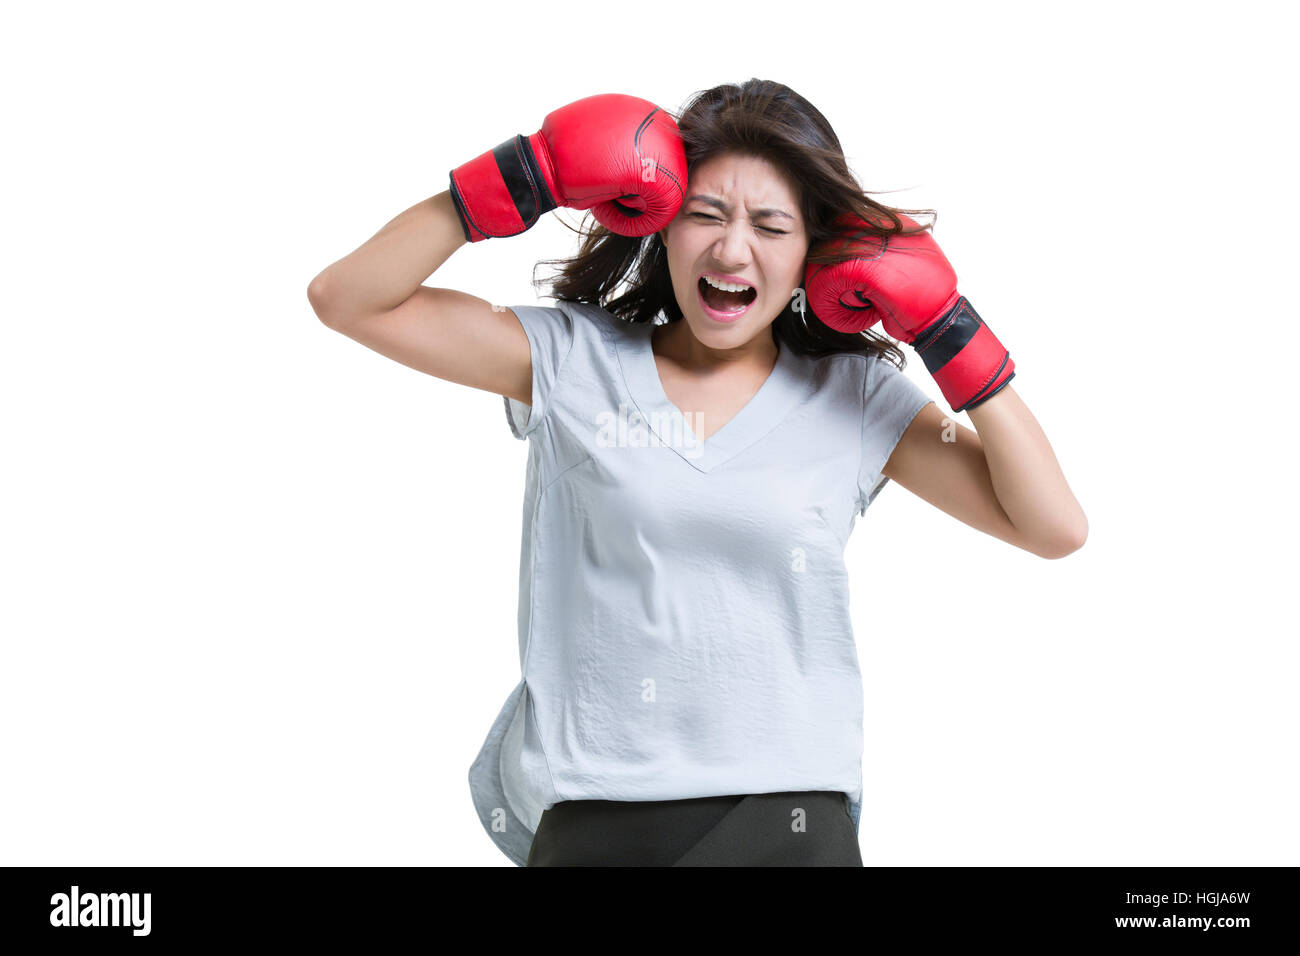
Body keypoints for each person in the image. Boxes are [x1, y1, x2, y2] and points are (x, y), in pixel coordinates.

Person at [306, 79, 1088, 867]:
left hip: (789, 822)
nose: (731, 249)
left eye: (771, 226)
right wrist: (528, 173)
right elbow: (349, 300)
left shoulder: (852, 396)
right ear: (660, 223)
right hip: (598, 815)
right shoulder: (574, 362)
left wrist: (947, 327)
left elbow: (1052, 525)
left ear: (814, 250)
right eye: (706, 215)